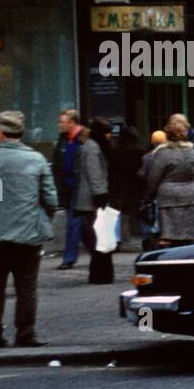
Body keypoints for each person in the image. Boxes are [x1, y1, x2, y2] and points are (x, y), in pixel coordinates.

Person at [0, 111, 59, 348]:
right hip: (28, 235)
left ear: (1, 134)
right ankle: (25, 333)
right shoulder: (36, 159)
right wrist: (39, 218)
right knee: (27, 287)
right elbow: (50, 199)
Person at [145, 115, 194, 248]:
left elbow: (154, 179)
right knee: (191, 233)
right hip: (190, 196)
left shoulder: (162, 154)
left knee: (168, 234)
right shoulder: (193, 153)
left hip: (168, 198)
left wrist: (148, 198)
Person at [78, 118, 115, 284]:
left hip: (92, 196)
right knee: (100, 237)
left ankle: (100, 272)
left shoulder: (91, 146)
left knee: (98, 237)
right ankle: (101, 273)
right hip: (94, 198)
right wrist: (101, 195)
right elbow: (95, 175)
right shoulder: (93, 148)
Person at [54, 109, 85, 269]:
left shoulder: (84, 138)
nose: (60, 125)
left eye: (62, 122)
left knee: (74, 223)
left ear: (72, 122)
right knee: (75, 222)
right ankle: (72, 256)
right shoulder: (64, 139)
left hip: (81, 187)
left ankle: (69, 257)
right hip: (67, 187)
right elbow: (58, 161)